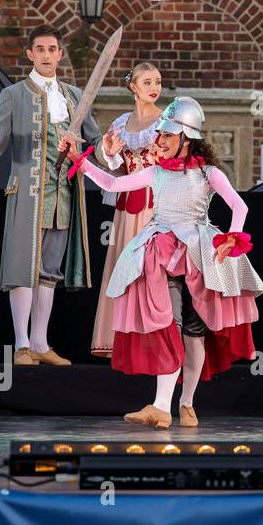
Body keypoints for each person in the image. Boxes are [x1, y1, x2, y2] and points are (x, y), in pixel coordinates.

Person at [66, 97, 263, 428]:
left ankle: (185, 404)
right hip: (160, 253)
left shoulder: (209, 174)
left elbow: (239, 207)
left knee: (194, 332)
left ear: (187, 137)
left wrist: (232, 237)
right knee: (166, 327)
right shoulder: (155, 171)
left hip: (198, 254)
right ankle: (160, 405)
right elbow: (114, 184)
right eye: (160, 135)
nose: (159, 141)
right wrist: (80, 162)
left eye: (167, 136)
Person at [0, 24, 108, 366]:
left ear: (59, 53)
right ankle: (21, 344)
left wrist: (108, 149)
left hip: (63, 195)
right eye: (39, 49)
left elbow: (96, 144)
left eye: (51, 49)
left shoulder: (73, 96)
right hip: (28, 193)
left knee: (49, 271)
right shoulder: (13, 95)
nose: (45, 55)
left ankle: (41, 343)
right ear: (30, 54)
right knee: (22, 267)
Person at [90, 62, 165, 358]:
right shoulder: (120, 124)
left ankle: (153, 343)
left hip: (158, 205)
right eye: (146, 82)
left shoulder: (167, 122)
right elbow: (112, 166)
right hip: (127, 208)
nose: (154, 87)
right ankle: (119, 341)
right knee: (123, 270)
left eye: (157, 81)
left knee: (151, 272)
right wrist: (109, 152)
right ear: (133, 87)